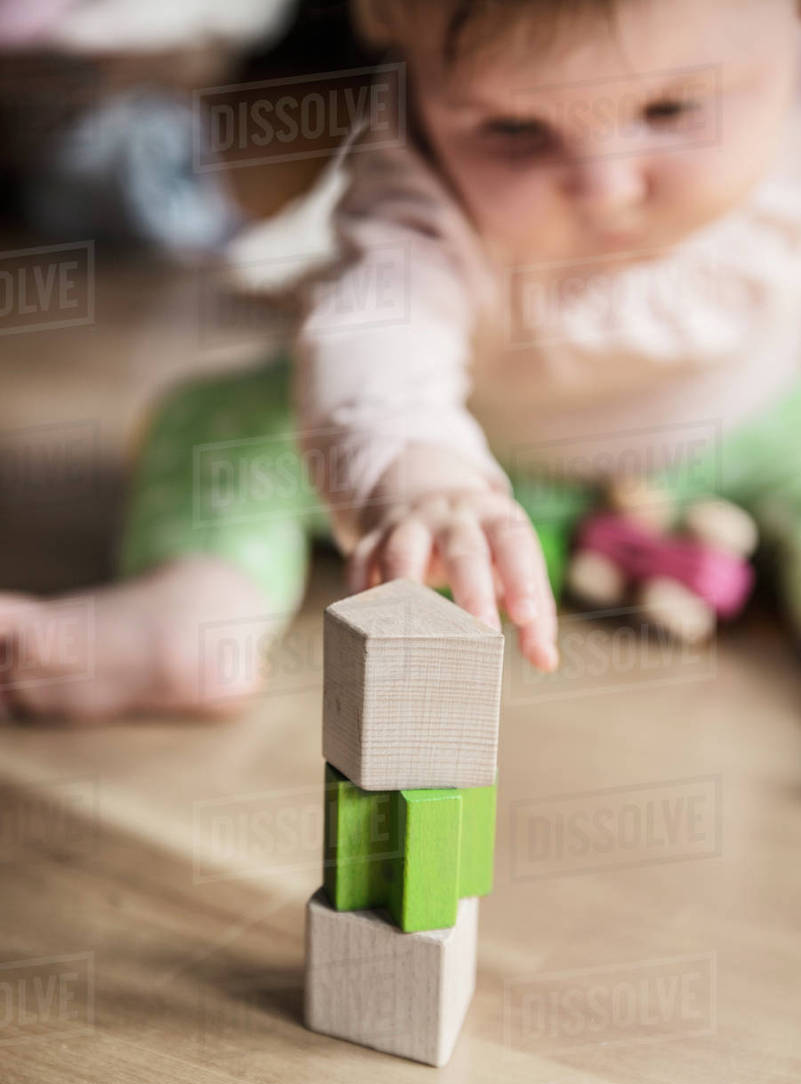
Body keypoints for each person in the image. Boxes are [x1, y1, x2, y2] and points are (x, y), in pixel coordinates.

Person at [4, 0, 801, 718]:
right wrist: (418, 474)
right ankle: (193, 614)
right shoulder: (419, 182)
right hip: (476, 473)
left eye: (671, 109)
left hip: (748, 434)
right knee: (227, 426)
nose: (603, 185)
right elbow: (376, 332)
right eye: (513, 130)